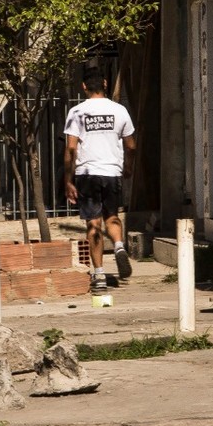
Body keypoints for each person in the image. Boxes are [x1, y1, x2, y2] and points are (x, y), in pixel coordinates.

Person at [63, 68, 136, 292]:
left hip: (87, 173)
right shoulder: (119, 110)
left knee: (93, 225)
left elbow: (71, 148)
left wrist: (68, 179)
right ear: (105, 83)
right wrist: (128, 167)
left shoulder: (77, 112)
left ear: (84, 86)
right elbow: (131, 145)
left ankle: (100, 275)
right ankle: (120, 247)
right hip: (112, 171)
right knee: (112, 217)